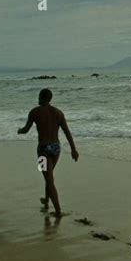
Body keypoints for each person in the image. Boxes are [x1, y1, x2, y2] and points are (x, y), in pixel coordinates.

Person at [17, 88, 79, 217]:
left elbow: (26, 129)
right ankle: (46, 200)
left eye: (39, 96)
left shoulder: (34, 112)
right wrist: (73, 149)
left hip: (43, 149)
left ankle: (58, 211)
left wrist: (19, 130)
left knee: (49, 180)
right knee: (48, 176)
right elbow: (67, 132)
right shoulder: (58, 113)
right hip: (56, 148)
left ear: (41, 97)